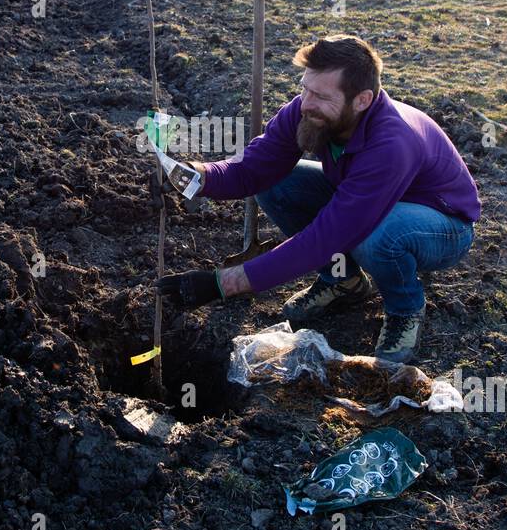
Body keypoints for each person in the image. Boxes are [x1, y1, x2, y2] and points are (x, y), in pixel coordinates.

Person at [154, 34, 480, 362]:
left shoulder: (392, 143)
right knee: (276, 185)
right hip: (371, 200)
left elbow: (325, 237)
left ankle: (406, 308)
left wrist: (222, 283)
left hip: (442, 223)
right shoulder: (308, 110)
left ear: (362, 100)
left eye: (321, 96)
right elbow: (254, 168)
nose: (306, 103)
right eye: (305, 88)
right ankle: (344, 281)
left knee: (375, 236)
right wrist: (194, 176)